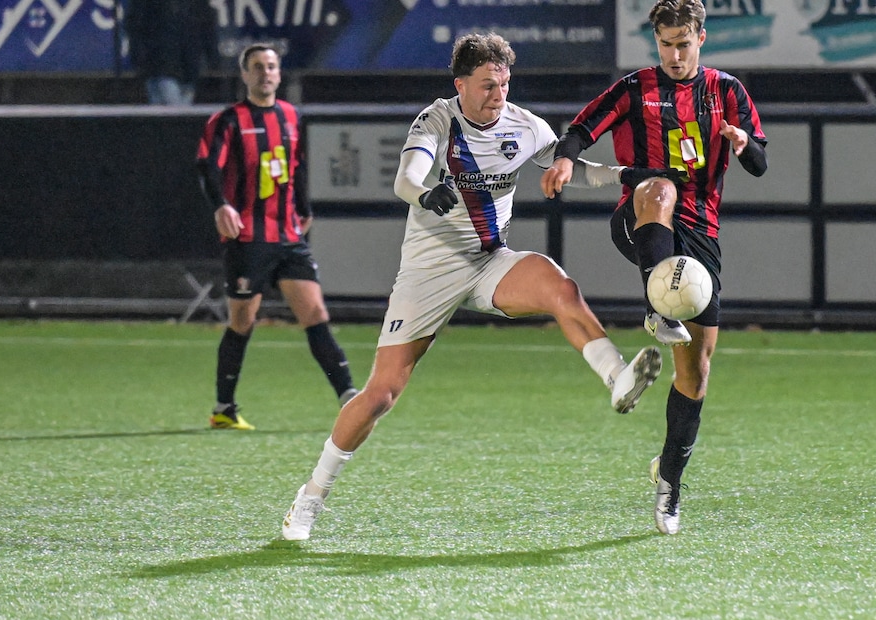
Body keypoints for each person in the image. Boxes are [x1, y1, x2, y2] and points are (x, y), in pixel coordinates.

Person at [280, 33, 666, 541]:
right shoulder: (437, 120)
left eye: (504, 83)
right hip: (430, 270)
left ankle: (617, 377)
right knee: (382, 393)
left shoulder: (524, 125)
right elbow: (405, 180)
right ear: (459, 84)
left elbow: (570, 170)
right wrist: (426, 192)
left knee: (559, 286)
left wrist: (628, 174)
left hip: (489, 262)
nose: (498, 94)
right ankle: (310, 497)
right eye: (487, 85)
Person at [541, 0, 768, 535]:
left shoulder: (727, 91)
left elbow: (759, 162)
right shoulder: (633, 89)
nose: (673, 53)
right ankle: (655, 305)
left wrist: (740, 142)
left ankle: (669, 480)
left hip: (701, 240)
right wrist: (566, 158)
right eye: (665, 43)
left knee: (697, 372)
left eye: (682, 43)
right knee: (660, 186)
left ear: (701, 39)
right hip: (641, 217)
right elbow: (580, 128)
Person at [196, 44, 357, 431]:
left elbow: (297, 167)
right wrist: (221, 206)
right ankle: (224, 408)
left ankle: (350, 397)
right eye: (257, 67)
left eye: (271, 66)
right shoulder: (228, 120)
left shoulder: (290, 116)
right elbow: (207, 167)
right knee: (242, 321)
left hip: (288, 234)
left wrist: (305, 207)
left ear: (280, 74)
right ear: (245, 75)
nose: (265, 73)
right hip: (249, 235)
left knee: (316, 314)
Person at [126, 0, 219, 105]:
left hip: (181, 66)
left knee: (171, 109)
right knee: (176, 109)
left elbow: (207, 26)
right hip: (164, 64)